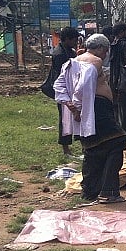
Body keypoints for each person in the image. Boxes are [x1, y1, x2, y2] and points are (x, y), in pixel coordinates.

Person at [54, 34, 126, 204]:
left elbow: (59, 85)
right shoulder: (94, 60)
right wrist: (77, 108)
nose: (106, 54)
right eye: (106, 50)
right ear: (101, 48)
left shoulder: (74, 60)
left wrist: (69, 103)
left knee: (93, 147)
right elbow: (83, 86)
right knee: (118, 141)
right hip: (96, 109)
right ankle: (108, 192)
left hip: (90, 109)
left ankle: (91, 190)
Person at [49, 26, 79, 158]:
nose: (76, 42)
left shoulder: (68, 51)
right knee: (65, 119)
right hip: (64, 91)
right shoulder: (60, 54)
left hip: (71, 89)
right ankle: (66, 148)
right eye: (74, 40)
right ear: (67, 39)